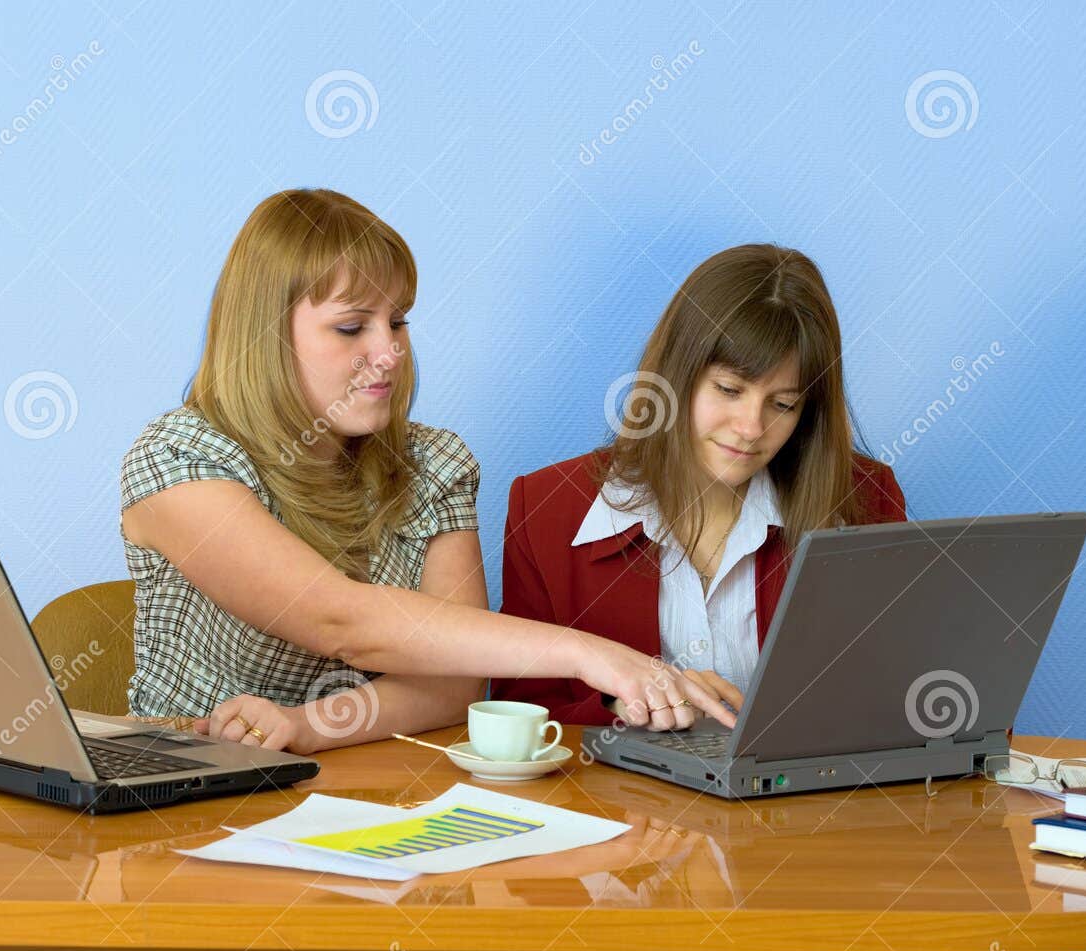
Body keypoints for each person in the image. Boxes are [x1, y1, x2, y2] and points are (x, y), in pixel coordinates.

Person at [118, 188, 734, 754]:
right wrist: (584, 652)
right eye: (352, 326)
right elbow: (339, 619)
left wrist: (303, 727)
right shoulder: (179, 457)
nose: (389, 352)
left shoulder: (434, 464)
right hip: (188, 782)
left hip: (364, 786)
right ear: (266, 337)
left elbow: (454, 688)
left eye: (398, 321)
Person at [493, 244, 907, 727]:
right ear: (676, 375)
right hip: (616, 803)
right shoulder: (547, 507)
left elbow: (913, 684)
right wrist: (625, 702)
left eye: (783, 404)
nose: (751, 427)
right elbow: (514, 709)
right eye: (729, 390)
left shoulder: (863, 498)